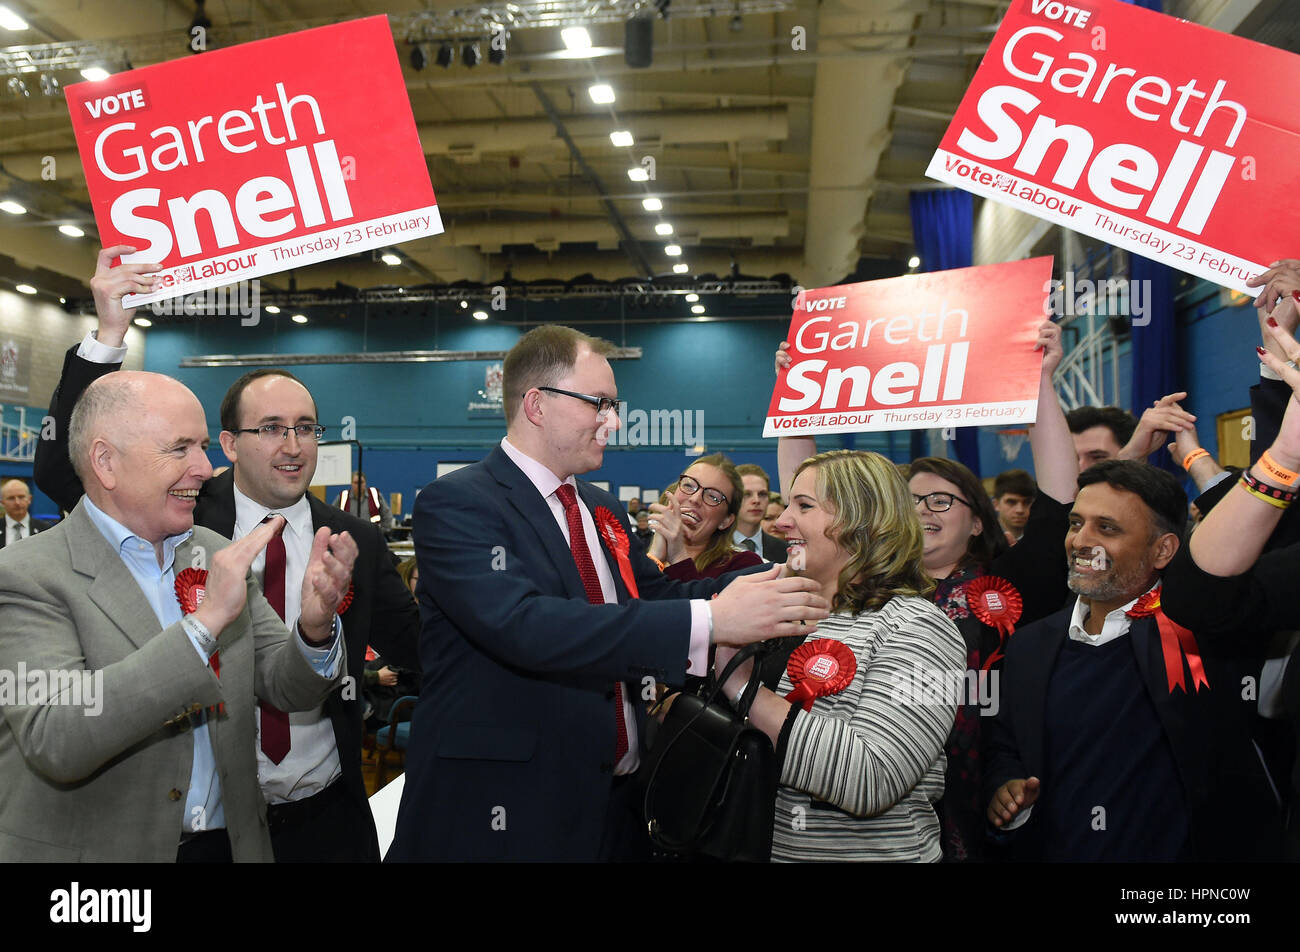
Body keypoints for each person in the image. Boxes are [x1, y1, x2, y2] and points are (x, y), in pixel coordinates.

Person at [33, 246, 422, 863]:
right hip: (187, 831)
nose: (293, 446)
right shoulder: (183, 519)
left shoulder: (353, 539)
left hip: (320, 816)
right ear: (231, 444)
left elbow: (415, 648)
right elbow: (67, 466)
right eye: (270, 428)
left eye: (306, 427)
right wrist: (110, 333)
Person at [387, 324, 830, 862]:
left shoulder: (599, 507)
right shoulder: (458, 503)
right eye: (599, 404)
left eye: (614, 405)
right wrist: (712, 621)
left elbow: (657, 593)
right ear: (536, 404)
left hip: (612, 801)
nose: (614, 422)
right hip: (503, 809)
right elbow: (524, 626)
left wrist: (777, 578)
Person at [0, 371, 351, 862]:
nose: (205, 468)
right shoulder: (23, 575)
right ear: (106, 462)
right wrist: (203, 628)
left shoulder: (213, 552)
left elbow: (286, 686)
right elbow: (57, 736)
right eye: (180, 448)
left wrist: (315, 627)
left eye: (203, 447)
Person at [776, 321, 1078, 860]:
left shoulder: (1003, 582)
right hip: (853, 789)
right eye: (912, 499)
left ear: (979, 521)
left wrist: (1040, 383)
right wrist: (800, 394)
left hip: (973, 782)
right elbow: (806, 494)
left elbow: (1057, 505)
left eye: (942, 500)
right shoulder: (854, 590)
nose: (923, 511)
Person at [986, 461, 1280, 861]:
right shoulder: (1028, 646)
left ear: (1163, 550)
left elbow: (1256, 547)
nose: (1081, 541)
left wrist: (1235, 462)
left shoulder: (1206, 638)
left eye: (1107, 528)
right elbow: (1007, 746)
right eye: (1076, 523)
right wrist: (1006, 786)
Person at [713, 450, 965, 861]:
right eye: (788, 503)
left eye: (804, 506)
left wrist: (743, 688)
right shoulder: (784, 614)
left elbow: (873, 778)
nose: (780, 522)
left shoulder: (918, 628)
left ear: (862, 521)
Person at [646, 453, 764, 580]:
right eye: (688, 485)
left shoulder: (743, 566)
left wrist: (678, 556)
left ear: (726, 521)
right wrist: (654, 558)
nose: (695, 499)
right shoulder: (632, 553)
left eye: (713, 497)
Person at [731, 463, 788, 563]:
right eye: (746, 494)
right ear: (732, 498)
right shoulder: (711, 547)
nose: (756, 500)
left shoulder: (786, 550)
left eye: (762, 494)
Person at [0, 478, 53, 547]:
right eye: (11, 498)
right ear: (2, 503)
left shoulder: (45, 530)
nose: (17, 503)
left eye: (21, 497)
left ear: (29, 499)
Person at [992, 469, 1035, 545]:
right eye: (1011, 502)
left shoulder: (1046, 540)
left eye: (1027, 502)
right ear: (996, 504)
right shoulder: (981, 540)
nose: (1020, 510)